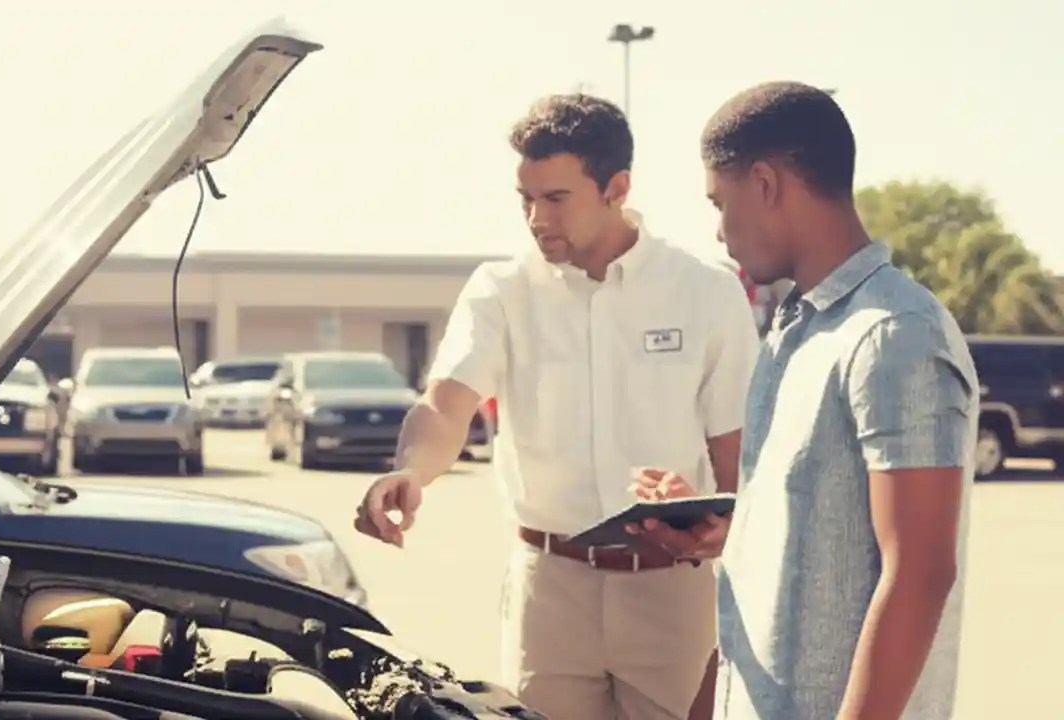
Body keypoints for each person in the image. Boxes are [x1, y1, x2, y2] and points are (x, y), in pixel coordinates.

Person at [353, 93, 760, 720]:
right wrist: (411, 470)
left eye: (557, 198)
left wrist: (727, 531)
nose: (537, 218)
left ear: (616, 186)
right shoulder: (502, 289)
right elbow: (448, 400)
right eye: (526, 198)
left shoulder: (706, 290)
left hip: (671, 589)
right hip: (549, 591)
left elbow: (733, 445)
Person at [627, 81, 978, 719]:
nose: (719, 231)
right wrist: (730, 532)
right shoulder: (795, 331)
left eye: (720, 202)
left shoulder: (893, 334)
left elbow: (921, 574)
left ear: (765, 183)